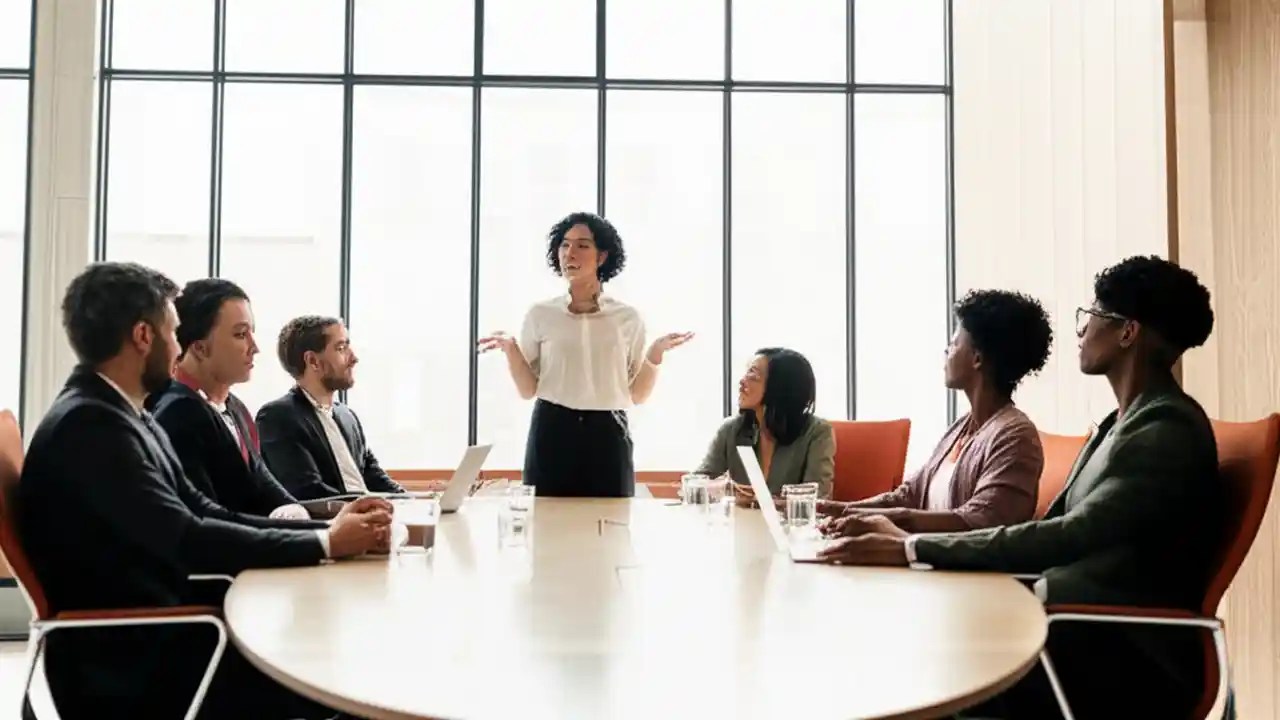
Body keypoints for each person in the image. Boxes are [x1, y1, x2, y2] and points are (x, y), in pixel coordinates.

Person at [820, 256, 1221, 719]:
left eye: (1092, 315)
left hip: (1114, 650)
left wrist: (913, 548)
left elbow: (1071, 534)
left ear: (1127, 333)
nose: (1081, 329)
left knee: (909, 671)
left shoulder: (1164, 428)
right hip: (1066, 625)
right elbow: (1053, 526)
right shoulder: (1120, 424)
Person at [18, 261, 394, 719]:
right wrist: (326, 541)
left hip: (168, 632)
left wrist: (325, 535)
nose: (180, 347)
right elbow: (187, 538)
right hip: (137, 659)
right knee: (353, 686)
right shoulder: (92, 426)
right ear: (143, 336)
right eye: (174, 332)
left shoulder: (121, 413)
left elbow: (200, 511)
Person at [478, 212, 692, 497]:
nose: (570, 253)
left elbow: (637, 395)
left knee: (613, 527)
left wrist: (655, 354)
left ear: (602, 256)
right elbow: (528, 390)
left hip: (608, 433)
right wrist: (511, 350)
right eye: (564, 245)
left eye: (582, 245)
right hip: (551, 429)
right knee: (547, 526)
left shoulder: (627, 318)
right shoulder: (540, 314)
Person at [820, 289, 1052, 532]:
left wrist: (886, 521)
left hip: (963, 569)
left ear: (977, 359)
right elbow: (910, 495)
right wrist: (839, 510)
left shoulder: (1015, 436)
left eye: (953, 344)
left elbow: (982, 522)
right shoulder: (963, 427)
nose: (946, 352)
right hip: (928, 563)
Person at [146, 278, 307, 518]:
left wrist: (328, 521)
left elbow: (266, 489)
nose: (254, 347)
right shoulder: (176, 413)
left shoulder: (236, 408)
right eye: (241, 334)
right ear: (199, 348)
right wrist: (324, 536)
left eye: (251, 332)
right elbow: (206, 520)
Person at [256, 315, 405, 500]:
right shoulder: (277, 417)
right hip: (332, 524)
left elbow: (374, 476)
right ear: (312, 361)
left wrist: (413, 502)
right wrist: (371, 506)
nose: (354, 358)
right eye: (341, 348)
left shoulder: (347, 416)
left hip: (369, 518)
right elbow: (308, 492)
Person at [693, 348, 835, 499]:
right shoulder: (731, 430)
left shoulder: (817, 432)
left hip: (789, 523)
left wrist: (755, 500)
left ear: (779, 387)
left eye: (753, 375)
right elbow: (693, 486)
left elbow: (818, 499)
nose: (742, 381)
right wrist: (721, 488)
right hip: (742, 523)